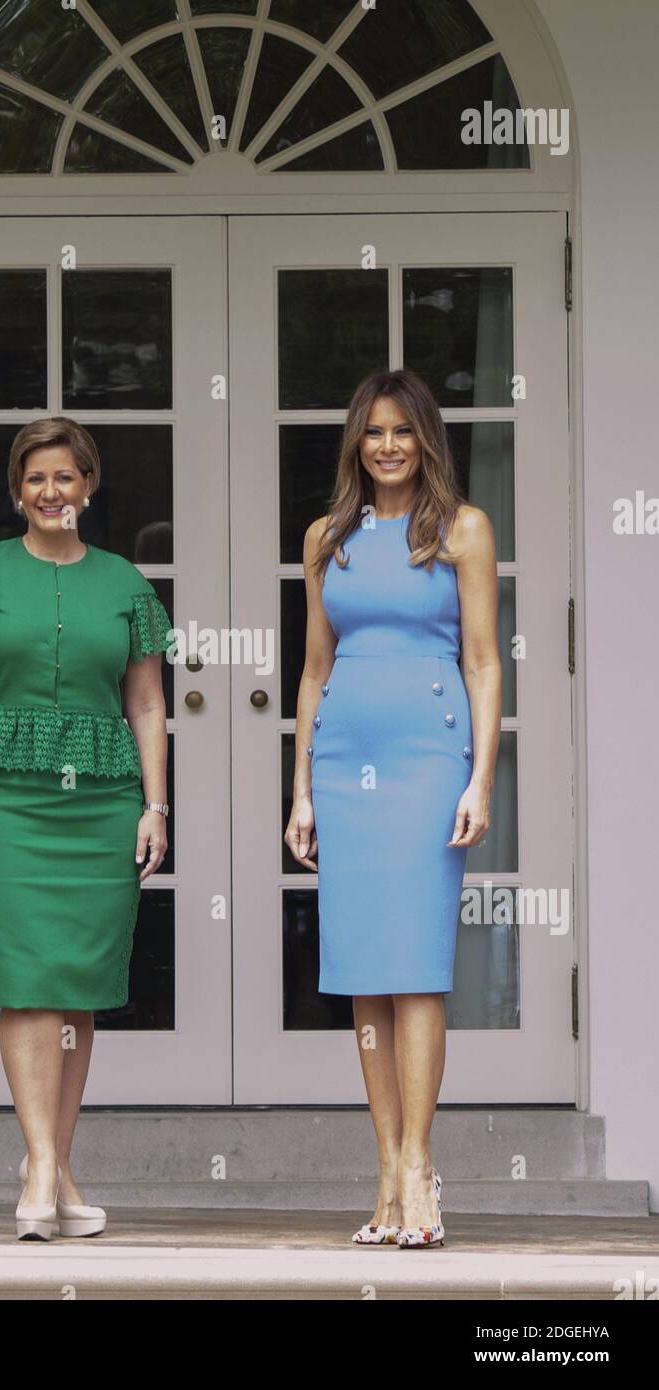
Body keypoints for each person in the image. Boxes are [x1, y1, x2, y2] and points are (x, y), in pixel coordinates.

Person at [0, 416, 173, 1240]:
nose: (50, 492)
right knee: (27, 979)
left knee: (79, 986)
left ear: (88, 487)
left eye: (65, 478)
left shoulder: (126, 583)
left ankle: (58, 1170)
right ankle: (37, 1167)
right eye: (35, 479)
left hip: (101, 803)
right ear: (16, 491)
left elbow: (146, 703)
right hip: (3, 802)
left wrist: (155, 805)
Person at [284, 368, 501, 1248]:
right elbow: (312, 670)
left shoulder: (461, 530)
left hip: (425, 758)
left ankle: (418, 1165)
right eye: (372, 432)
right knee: (363, 973)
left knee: (414, 966)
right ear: (354, 442)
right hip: (344, 763)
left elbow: (484, 662)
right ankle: (383, 1171)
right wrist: (299, 788)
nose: (386, 447)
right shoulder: (324, 537)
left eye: (401, 432)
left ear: (425, 440)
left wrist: (479, 778)